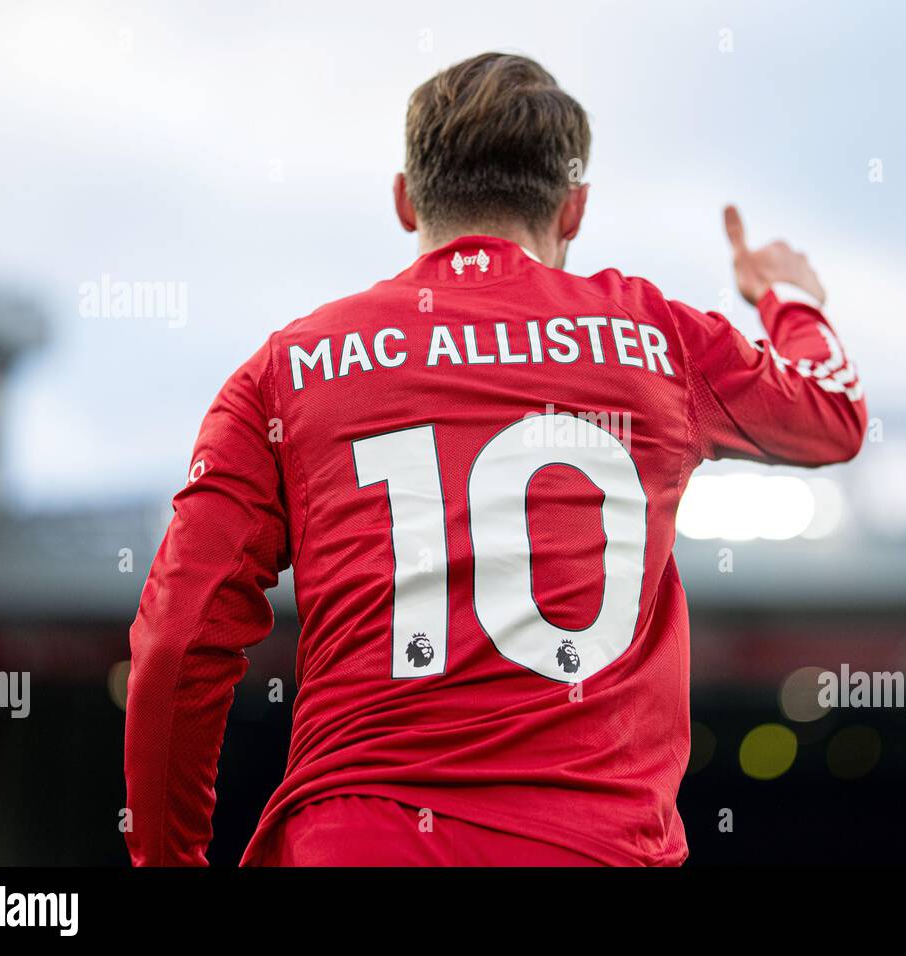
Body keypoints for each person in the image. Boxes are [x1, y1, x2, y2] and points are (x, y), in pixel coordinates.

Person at [124, 51, 866, 866]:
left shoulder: (285, 371)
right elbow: (833, 414)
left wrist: (169, 861)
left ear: (406, 199)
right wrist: (789, 299)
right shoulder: (658, 341)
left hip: (359, 844)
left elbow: (178, 640)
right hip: (594, 849)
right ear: (574, 207)